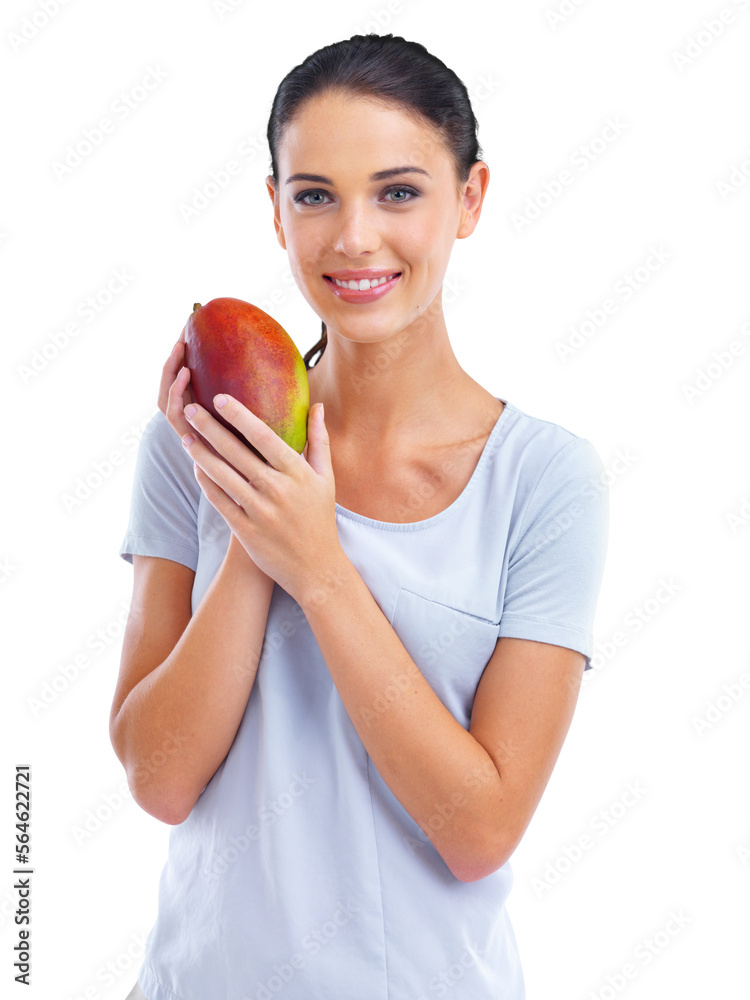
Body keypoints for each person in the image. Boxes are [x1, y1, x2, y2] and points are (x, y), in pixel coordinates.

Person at [111, 33, 609, 1000]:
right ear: (275, 208)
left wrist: (321, 565)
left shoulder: (546, 481)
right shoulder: (191, 444)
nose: (353, 238)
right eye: (314, 195)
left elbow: (479, 830)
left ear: (469, 199)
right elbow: (160, 781)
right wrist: (260, 508)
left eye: (399, 192)